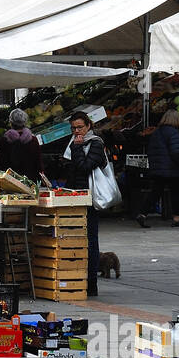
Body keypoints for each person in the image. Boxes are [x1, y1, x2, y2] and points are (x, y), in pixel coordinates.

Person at [61, 111, 107, 297]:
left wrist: (78, 149)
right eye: (73, 128)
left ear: (89, 125)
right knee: (76, 239)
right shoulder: (74, 143)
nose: (77, 131)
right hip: (75, 197)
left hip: (89, 198)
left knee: (90, 240)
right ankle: (77, 279)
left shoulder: (95, 143)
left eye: (80, 127)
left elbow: (85, 167)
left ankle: (91, 283)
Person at [139, 109, 179, 228]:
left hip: (157, 168)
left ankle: (142, 214)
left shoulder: (156, 132)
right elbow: (176, 152)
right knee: (177, 192)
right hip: (171, 169)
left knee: (155, 192)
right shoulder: (174, 133)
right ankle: (176, 219)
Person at [0, 108, 44, 183]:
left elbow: (0, 161)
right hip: (29, 181)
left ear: (10, 122)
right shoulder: (33, 139)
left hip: (10, 181)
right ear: (25, 122)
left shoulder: (5, 139)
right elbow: (38, 162)